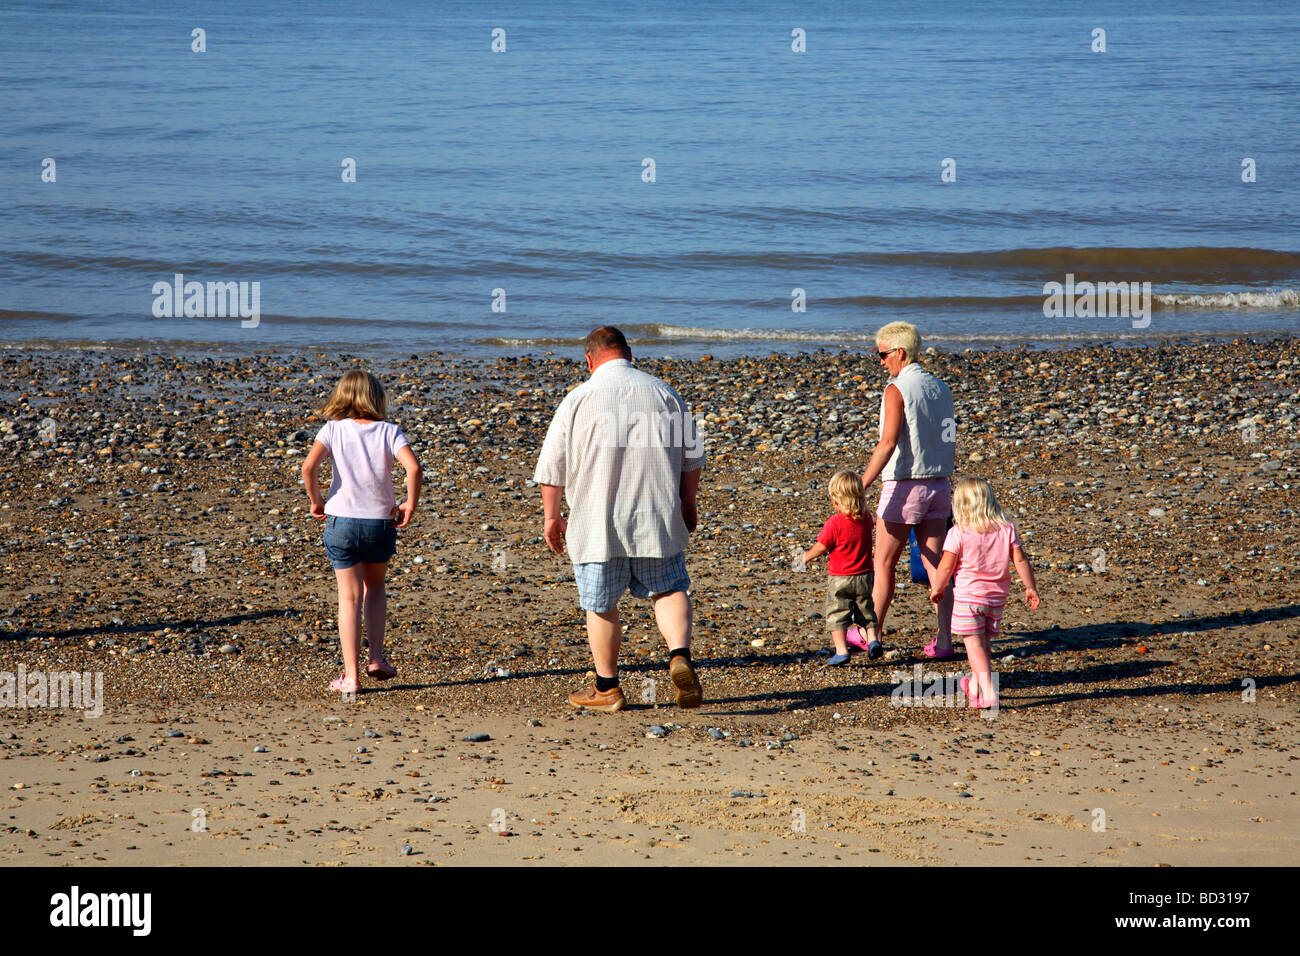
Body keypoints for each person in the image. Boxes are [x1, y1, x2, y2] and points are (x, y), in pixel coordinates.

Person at [534, 326, 705, 712]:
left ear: (589, 360)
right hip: (656, 513)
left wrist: (551, 516)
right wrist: (687, 501)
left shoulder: (578, 398)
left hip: (597, 521)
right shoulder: (665, 394)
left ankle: (607, 688)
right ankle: (679, 655)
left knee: (601, 602)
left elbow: (551, 468)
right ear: (630, 354)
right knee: (670, 587)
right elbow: (693, 457)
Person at [301, 370, 422, 696]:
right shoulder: (389, 431)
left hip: (341, 520)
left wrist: (317, 500)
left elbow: (308, 467)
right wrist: (409, 503)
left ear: (341, 397)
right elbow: (413, 467)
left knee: (349, 597)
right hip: (378, 522)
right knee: (376, 587)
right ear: (377, 397)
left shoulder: (333, 429)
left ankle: (351, 678)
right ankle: (377, 658)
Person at [860, 321, 957, 658]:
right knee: (936, 565)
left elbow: (887, 443)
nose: (881, 361)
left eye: (883, 354)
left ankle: (872, 634)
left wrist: (861, 484)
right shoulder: (941, 388)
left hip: (905, 485)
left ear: (900, 353)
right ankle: (945, 640)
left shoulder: (896, 389)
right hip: (939, 484)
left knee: (884, 562)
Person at [927, 477, 1040, 709]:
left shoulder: (958, 533)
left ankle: (989, 692)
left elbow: (946, 566)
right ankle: (975, 686)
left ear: (960, 505)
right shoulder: (1006, 529)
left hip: (969, 597)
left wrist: (938, 588)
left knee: (974, 645)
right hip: (996, 598)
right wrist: (1030, 587)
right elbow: (1020, 559)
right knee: (983, 643)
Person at [801, 470, 881, 665]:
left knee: (837, 613)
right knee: (866, 610)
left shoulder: (834, 523)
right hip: (864, 575)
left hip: (840, 577)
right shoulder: (867, 518)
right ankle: (872, 640)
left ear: (836, 501)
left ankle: (842, 650)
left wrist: (806, 556)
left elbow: (822, 547)